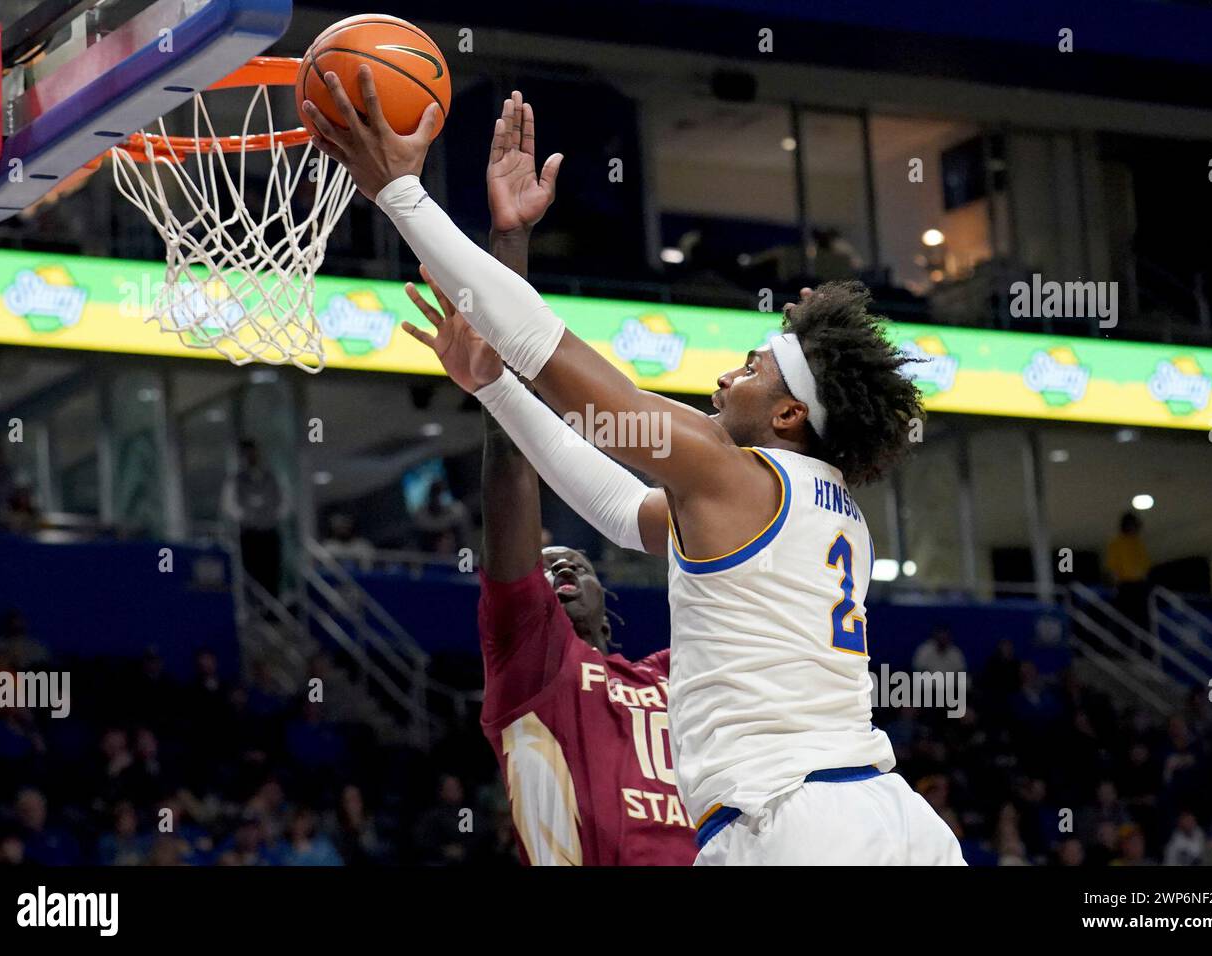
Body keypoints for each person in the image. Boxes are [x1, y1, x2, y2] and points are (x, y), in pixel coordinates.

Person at [307, 72, 962, 864]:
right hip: (888, 815)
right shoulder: (827, 512)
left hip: (797, 823)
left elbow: (557, 357)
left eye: (752, 370)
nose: (726, 379)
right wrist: (492, 388)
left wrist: (399, 193)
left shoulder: (731, 472)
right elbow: (618, 506)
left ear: (791, 416)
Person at [422, 95, 695, 864]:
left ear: (612, 598)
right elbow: (512, 460)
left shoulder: (679, 671)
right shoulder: (532, 657)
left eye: (571, 561)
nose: (558, 565)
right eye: (543, 568)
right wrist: (509, 246)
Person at [220, 439, 290, 599]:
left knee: (272, 570)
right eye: (246, 453)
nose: (251, 456)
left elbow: (285, 502)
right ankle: (254, 605)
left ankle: (272, 608)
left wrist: (271, 516)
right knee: (251, 570)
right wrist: (247, 516)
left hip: (270, 531)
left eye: (253, 452)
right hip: (249, 533)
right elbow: (229, 505)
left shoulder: (273, 477)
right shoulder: (235, 480)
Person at [1104, 511, 1152, 637]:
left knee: (1143, 618)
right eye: (1132, 525)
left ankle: (1144, 648)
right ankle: (1124, 645)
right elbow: (1113, 567)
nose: (1134, 529)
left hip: (1140, 585)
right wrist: (1115, 583)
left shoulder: (1138, 543)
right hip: (1125, 585)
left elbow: (1145, 565)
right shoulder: (1117, 544)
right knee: (1123, 618)